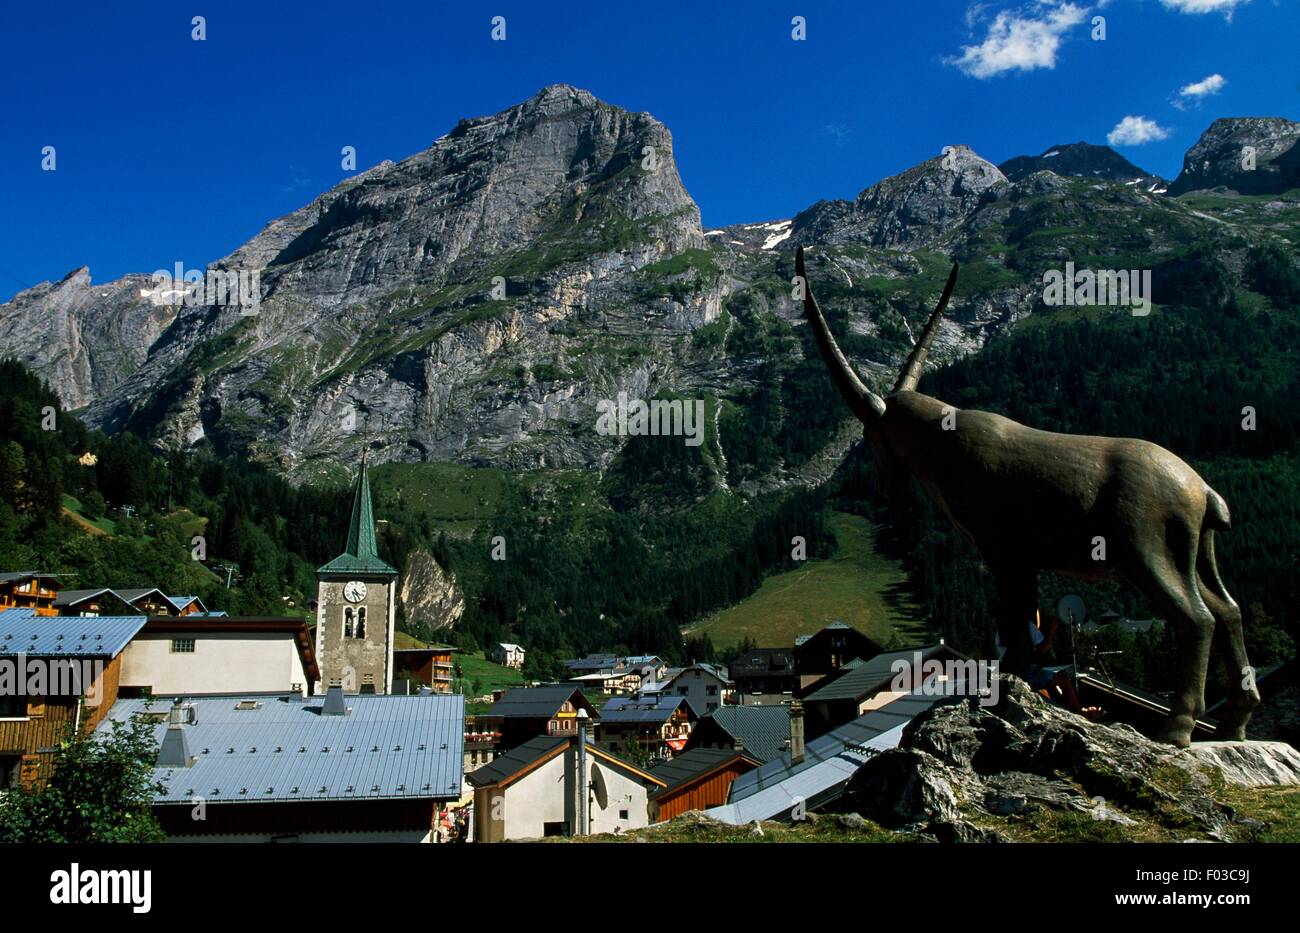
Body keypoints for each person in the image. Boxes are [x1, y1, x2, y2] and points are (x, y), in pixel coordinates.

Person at [1025, 611, 1104, 721]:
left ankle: (1068, 709)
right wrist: (1052, 629)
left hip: (1009, 667)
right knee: (1063, 681)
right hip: (1025, 671)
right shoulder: (1028, 625)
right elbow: (1043, 648)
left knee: (1053, 683)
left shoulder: (1004, 624)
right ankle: (1081, 713)